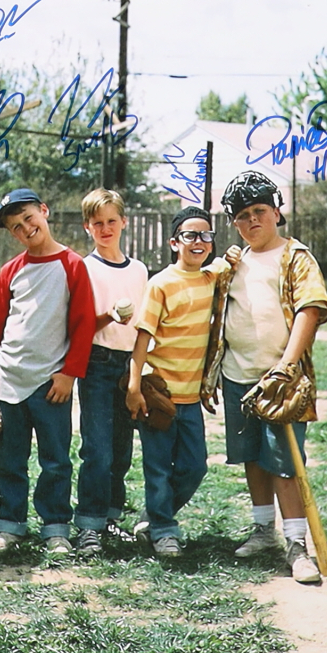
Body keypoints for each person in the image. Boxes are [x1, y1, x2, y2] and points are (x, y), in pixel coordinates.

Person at [217, 171, 327, 583]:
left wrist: (287, 364)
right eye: (242, 215)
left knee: (284, 463)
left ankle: (296, 544)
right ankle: (264, 529)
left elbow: (310, 309)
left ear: (277, 212)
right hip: (238, 375)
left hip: (281, 380)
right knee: (252, 457)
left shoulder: (295, 256)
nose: (252, 220)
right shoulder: (234, 263)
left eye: (259, 211)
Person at [0, 188, 96, 555]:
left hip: (51, 382)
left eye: (28, 217)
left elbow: (84, 324)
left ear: (44, 211)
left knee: (55, 460)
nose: (25, 228)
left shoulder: (72, 265)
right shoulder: (10, 271)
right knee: (9, 460)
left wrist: (69, 373)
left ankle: (55, 527)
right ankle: (10, 525)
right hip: (9, 380)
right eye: (15, 226)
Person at [126, 207, 228, 558]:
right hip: (161, 395)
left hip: (192, 399)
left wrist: (232, 257)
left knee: (195, 466)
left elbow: (230, 263)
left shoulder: (212, 278)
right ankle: (164, 531)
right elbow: (143, 338)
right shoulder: (161, 284)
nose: (199, 241)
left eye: (206, 235)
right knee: (157, 469)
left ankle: (154, 517)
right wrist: (134, 386)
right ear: (174, 243)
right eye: (190, 235)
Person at [74, 188, 149, 554]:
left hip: (129, 364)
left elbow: (144, 326)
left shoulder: (139, 270)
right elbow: (79, 326)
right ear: (87, 227)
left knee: (121, 449)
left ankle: (110, 517)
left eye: (111, 221)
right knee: (98, 449)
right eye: (97, 223)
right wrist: (109, 316)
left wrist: (139, 372)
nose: (105, 229)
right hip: (97, 363)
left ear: (124, 222)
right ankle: (88, 524)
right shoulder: (84, 268)